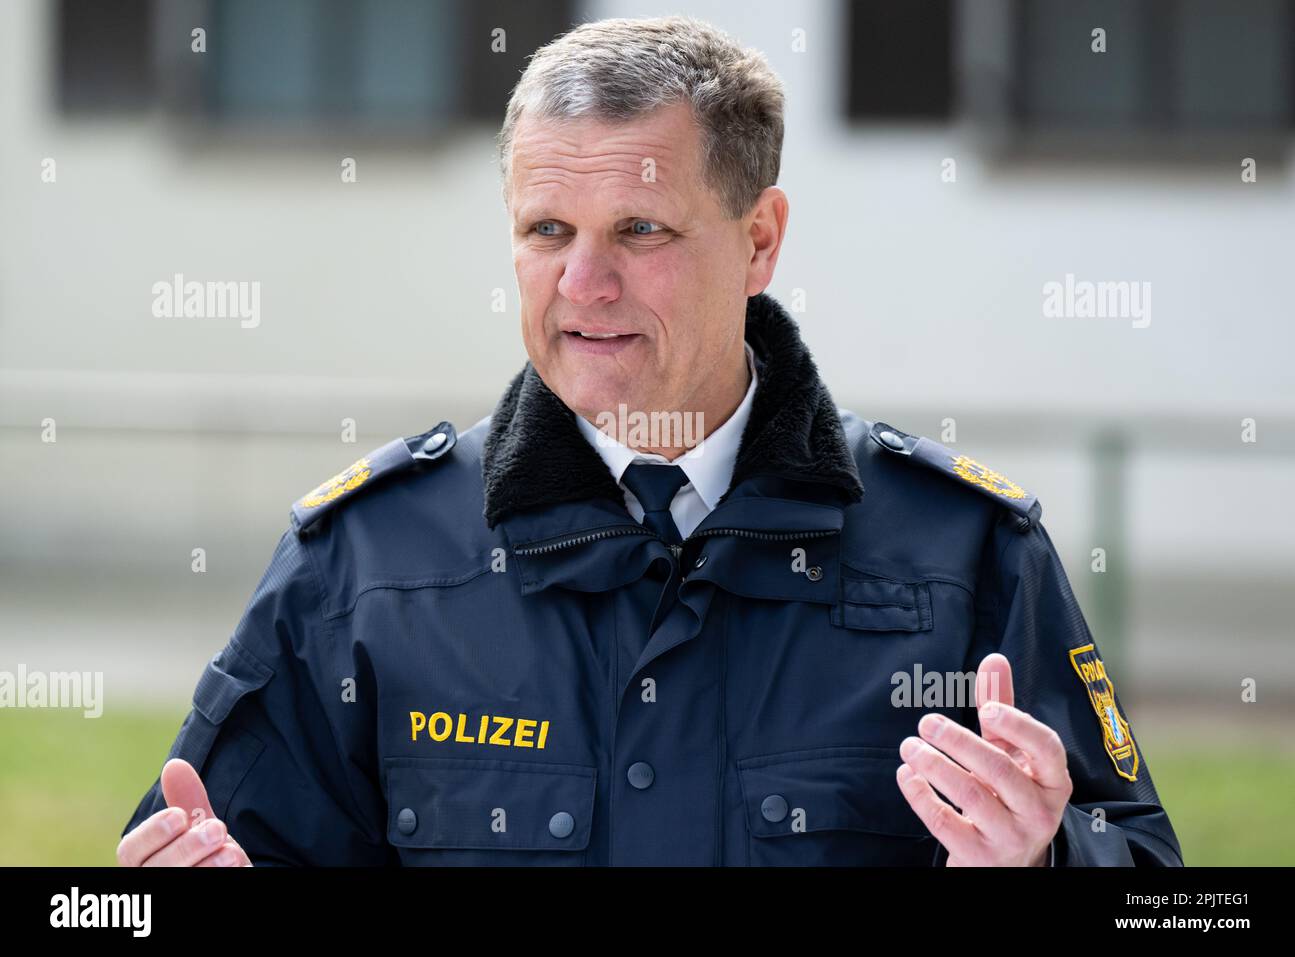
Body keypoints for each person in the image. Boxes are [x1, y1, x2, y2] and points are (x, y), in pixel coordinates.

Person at [118, 15, 1181, 867]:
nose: (585, 286)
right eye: (547, 233)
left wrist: (1043, 861)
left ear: (759, 240)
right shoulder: (362, 566)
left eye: (640, 231)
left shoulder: (966, 557)